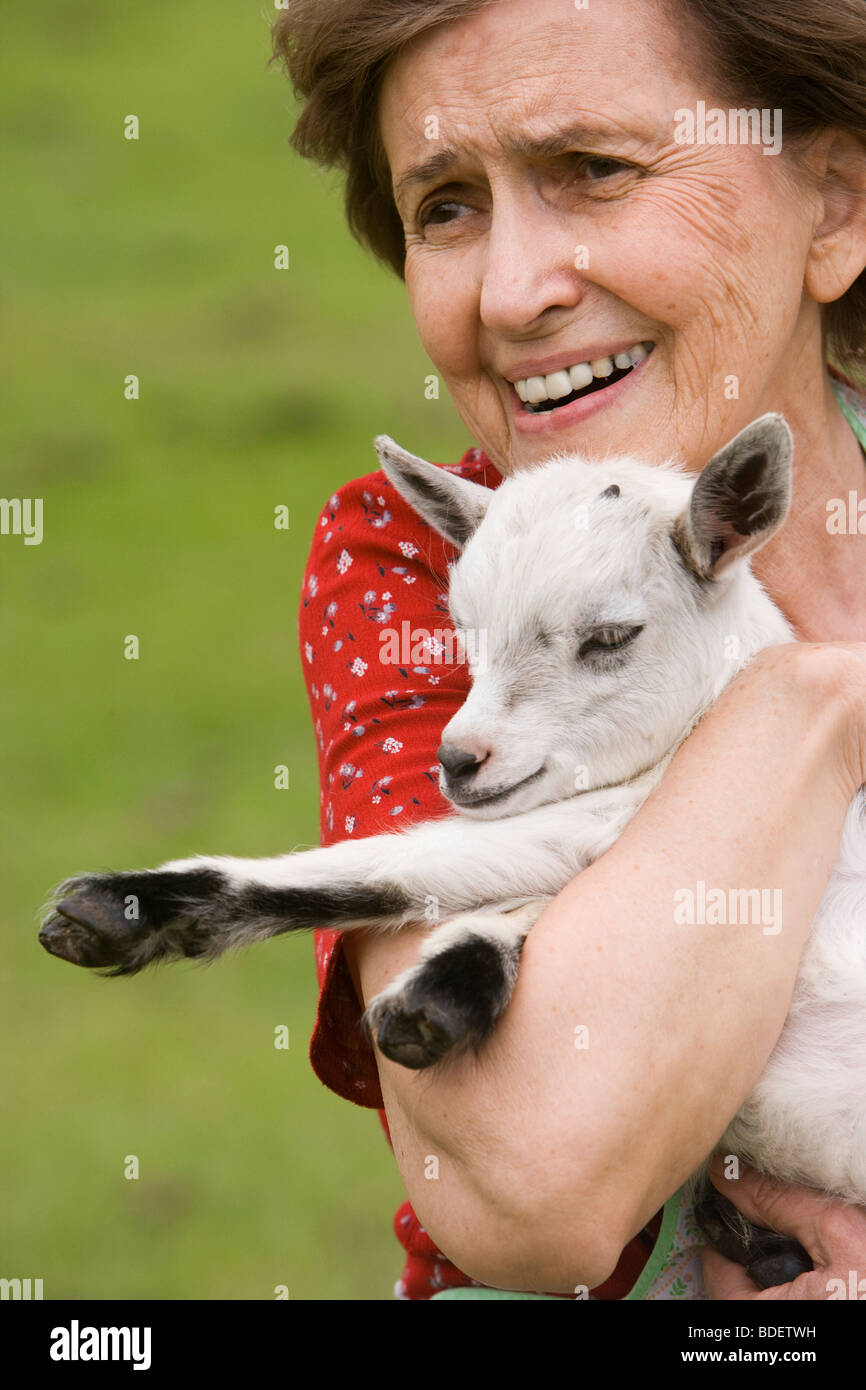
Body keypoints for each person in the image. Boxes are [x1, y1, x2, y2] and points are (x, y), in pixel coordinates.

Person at [274, 0, 866, 1298]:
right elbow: (532, 1178)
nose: (510, 290)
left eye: (591, 171)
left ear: (829, 207)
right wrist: (816, 701)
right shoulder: (422, 566)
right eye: (444, 205)